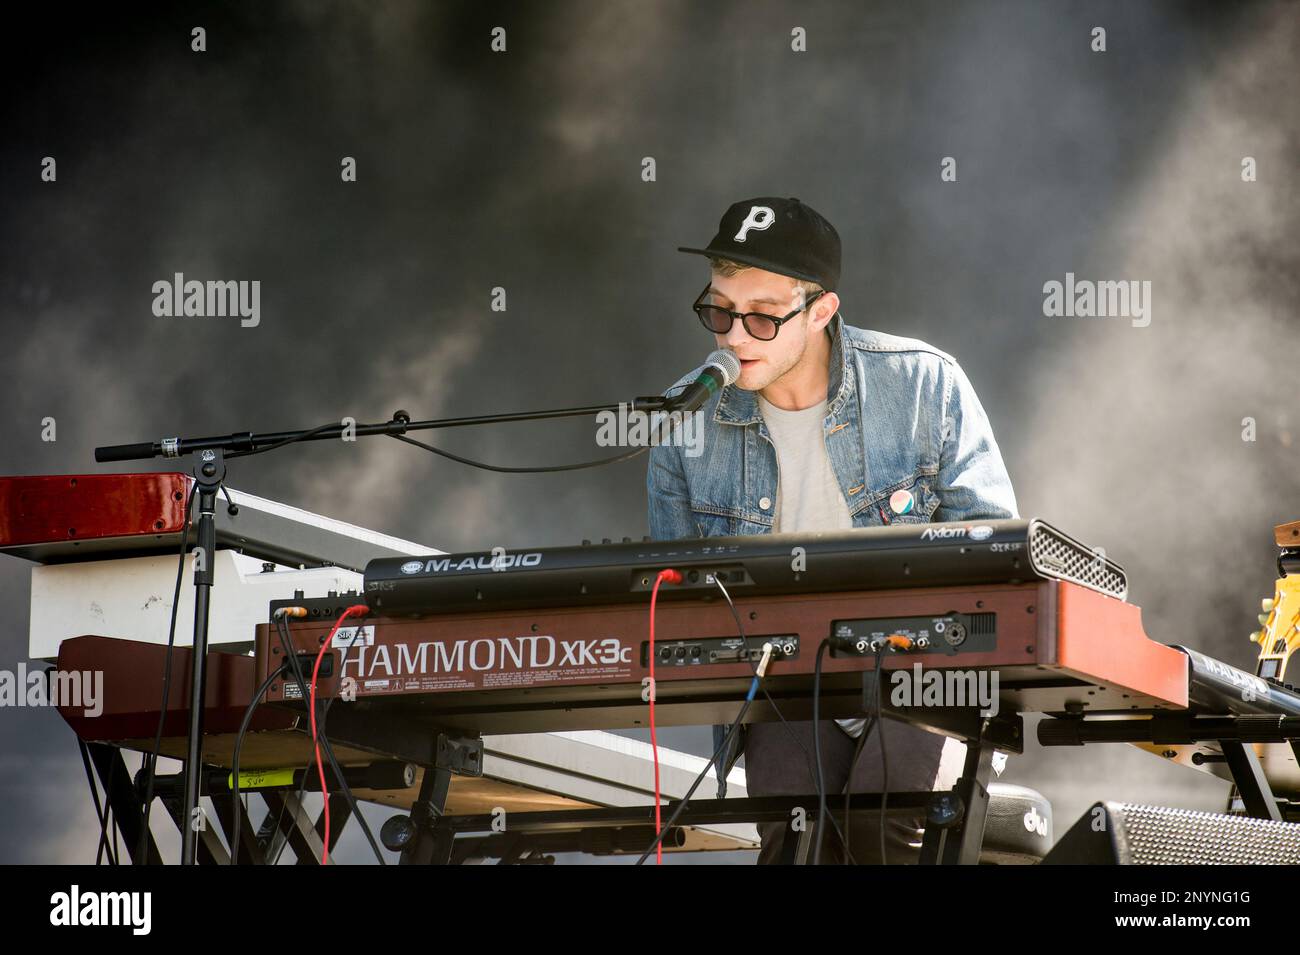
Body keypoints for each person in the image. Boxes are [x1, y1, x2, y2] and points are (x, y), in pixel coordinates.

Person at [645, 196, 1019, 863]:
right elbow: (676, 602)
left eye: (761, 317)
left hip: (924, 670)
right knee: (794, 840)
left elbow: (995, 566)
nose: (732, 336)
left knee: (887, 817)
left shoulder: (926, 385)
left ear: (821, 311)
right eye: (719, 310)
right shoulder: (682, 423)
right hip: (788, 681)